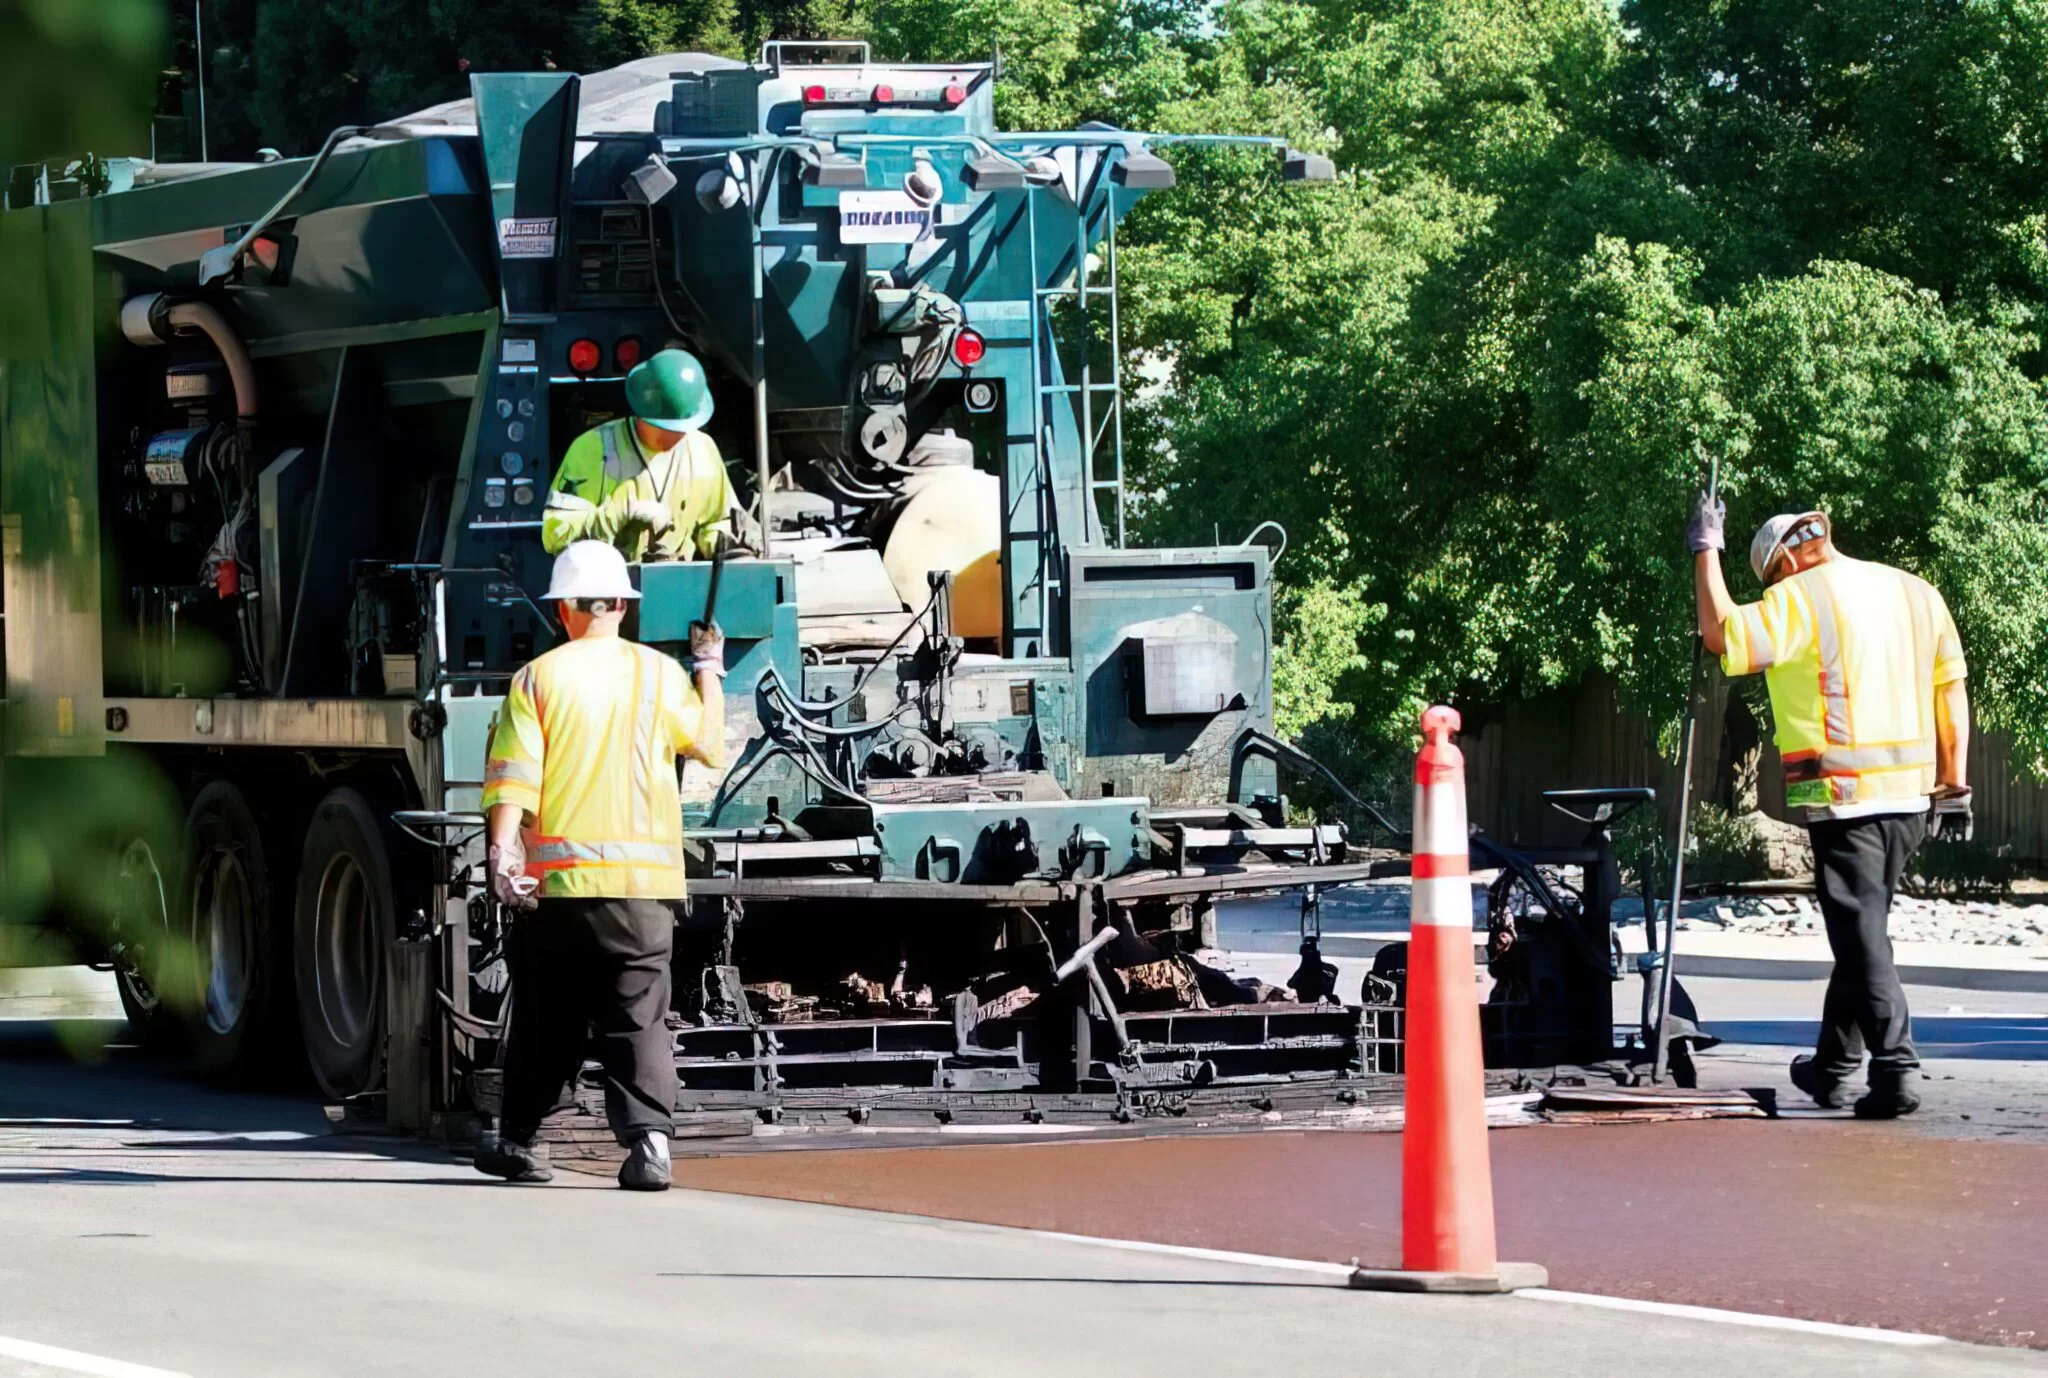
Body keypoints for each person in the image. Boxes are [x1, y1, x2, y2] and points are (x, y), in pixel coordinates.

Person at [1690, 499, 1971, 1119]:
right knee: (1861, 929)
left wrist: (1705, 548)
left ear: (1784, 561)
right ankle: (1833, 1065)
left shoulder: (1800, 597)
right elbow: (1950, 686)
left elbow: (1721, 634)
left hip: (1844, 797)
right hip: (1911, 800)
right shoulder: (1915, 592)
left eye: (1770, 580)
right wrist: (1955, 786)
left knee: (1861, 934)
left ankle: (1895, 1066)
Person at [473, 540, 726, 1189]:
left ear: (562, 610)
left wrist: (501, 857)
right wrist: (707, 667)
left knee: (543, 1020)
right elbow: (708, 745)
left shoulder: (538, 679)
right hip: (642, 894)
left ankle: (520, 1142)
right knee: (638, 1017)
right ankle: (650, 1147)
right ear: (620, 604)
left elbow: (512, 781)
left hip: (556, 892)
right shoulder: (658, 675)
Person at [543, 348, 738, 563]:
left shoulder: (703, 450)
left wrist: (725, 544)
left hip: (679, 584)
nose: (679, 436)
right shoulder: (592, 449)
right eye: (668, 428)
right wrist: (614, 516)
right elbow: (553, 536)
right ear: (642, 415)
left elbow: (716, 521)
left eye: (685, 427)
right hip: (607, 587)